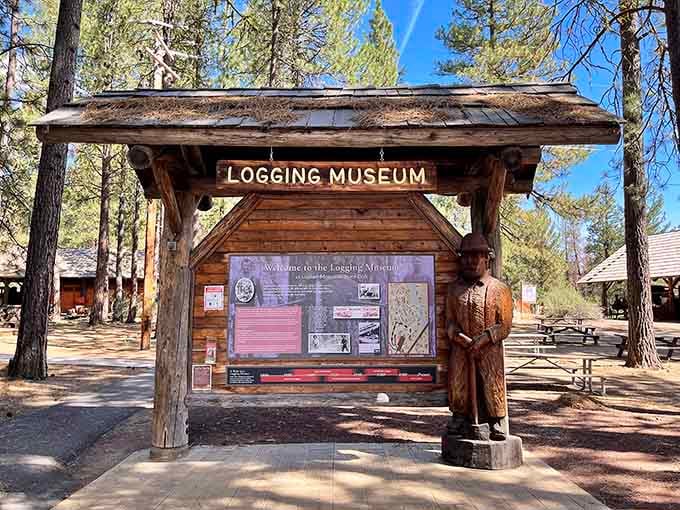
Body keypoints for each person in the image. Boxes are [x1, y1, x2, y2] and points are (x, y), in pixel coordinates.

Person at [446, 232, 513, 441]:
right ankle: (459, 417)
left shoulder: (499, 289)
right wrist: (459, 338)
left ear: (486, 258)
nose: (470, 261)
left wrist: (484, 339)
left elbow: (505, 325)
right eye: (466, 257)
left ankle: (495, 420)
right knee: (458, 382)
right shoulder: (454, 289)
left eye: (476, 256)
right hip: (461, 347)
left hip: (489, 349)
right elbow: (449, 321)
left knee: (492, 382)